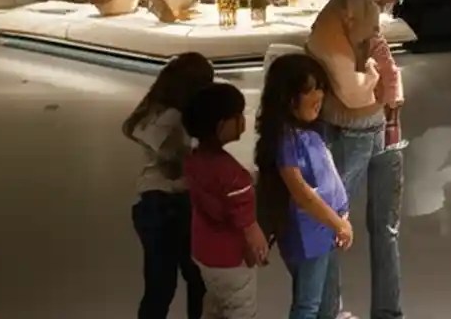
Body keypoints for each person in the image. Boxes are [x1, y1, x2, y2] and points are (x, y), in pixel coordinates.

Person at [306, 0, 408, 319]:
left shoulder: (357, 10)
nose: (389, 1)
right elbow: (351, 88)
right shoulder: (342, 12)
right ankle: (332, 312)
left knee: (376, 229)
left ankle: (379, 312)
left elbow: (376, 70)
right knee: (337, 227)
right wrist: (379, 78)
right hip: (354, 129)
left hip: (377, 127)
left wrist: (381, 83)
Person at [255, 53, 354, 319]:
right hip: (310, 234)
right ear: (289, 97)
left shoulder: (306, 133)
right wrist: (339, 223)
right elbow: (302, 194)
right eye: (310, 90)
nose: (319, 96)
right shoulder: (286, 139)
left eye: (320, 87)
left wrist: (338, 219)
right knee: (308, 304)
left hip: (324, 231)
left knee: (323, 303)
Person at [123, 52, 215, 319]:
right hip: (172, 203)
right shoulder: (175, 117)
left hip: (149, 204)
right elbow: (174, 164)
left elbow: (133, 130)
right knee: (195, 280)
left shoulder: (152, 110)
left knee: (159, 286)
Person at [183, 82, 269, 319]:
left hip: (202, 252)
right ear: (221, 125)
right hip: (231, 260)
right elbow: (247, 225)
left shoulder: (193, 160)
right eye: (238, 115)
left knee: (215, 305)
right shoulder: (234, 176)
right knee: (241, 309)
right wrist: (259, 249)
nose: (243, 120)